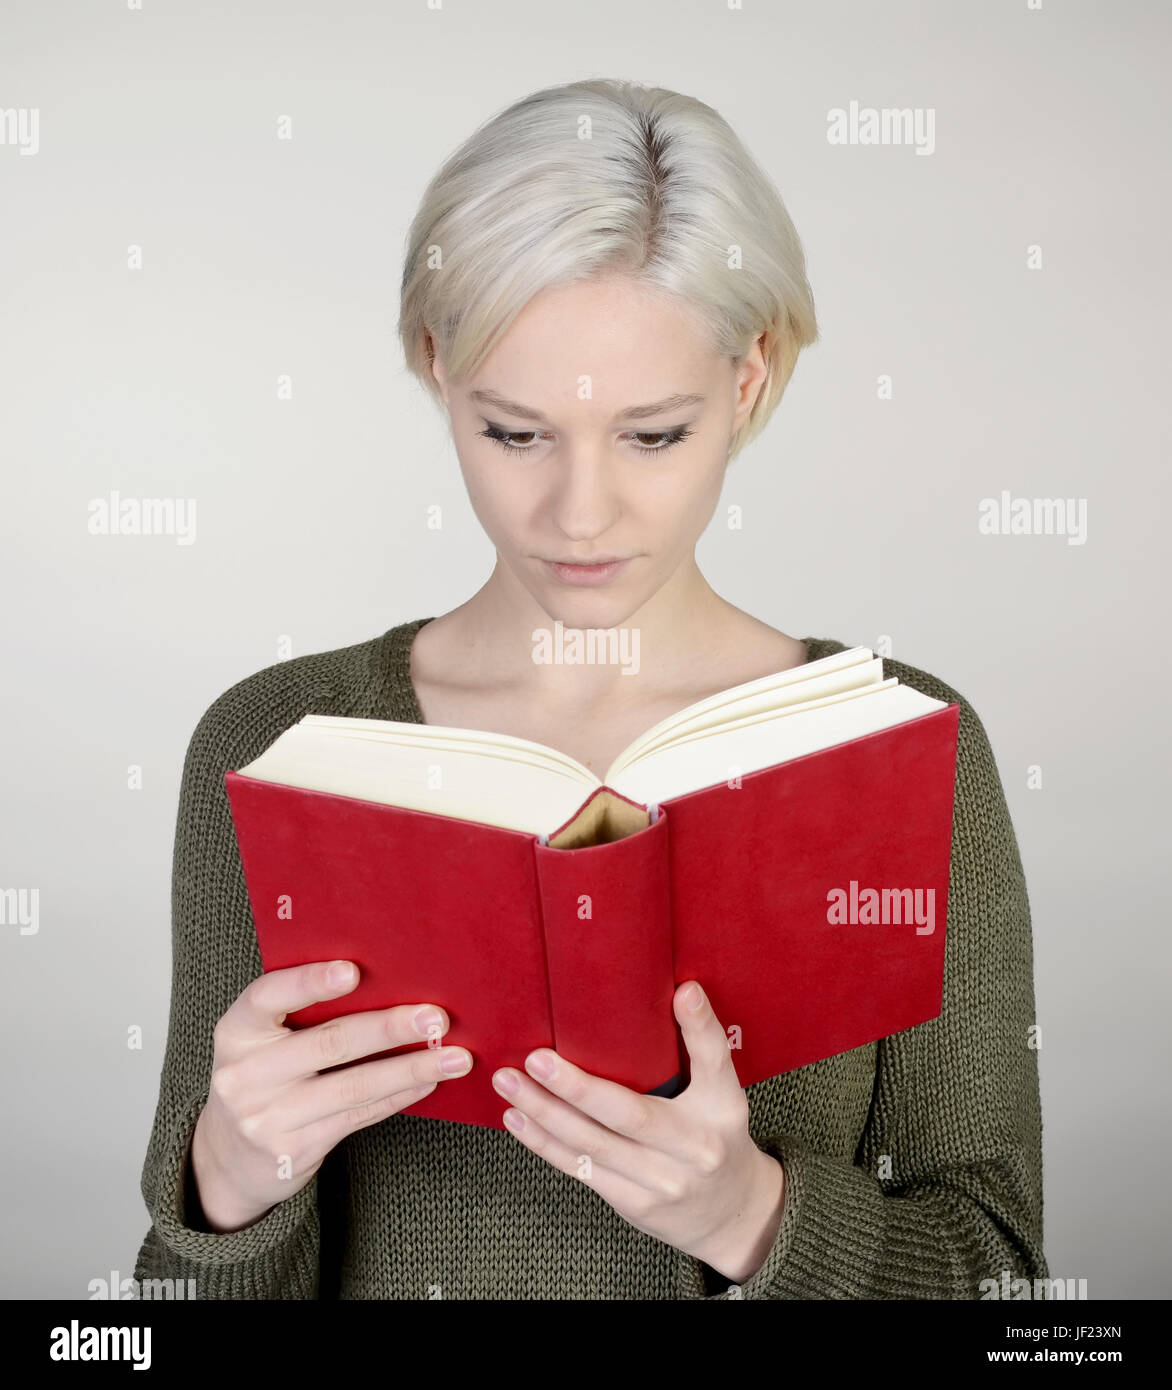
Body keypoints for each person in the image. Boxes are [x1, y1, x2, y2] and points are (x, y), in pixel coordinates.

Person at [134, 78, 1047, 1299]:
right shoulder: (277, 745)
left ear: (746, 381)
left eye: (652, 434)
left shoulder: (901, 748)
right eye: (513, 432)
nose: (578, 514)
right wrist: (227, 1186)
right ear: (434, 367)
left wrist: (754, 1219)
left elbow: (1006, 1290)